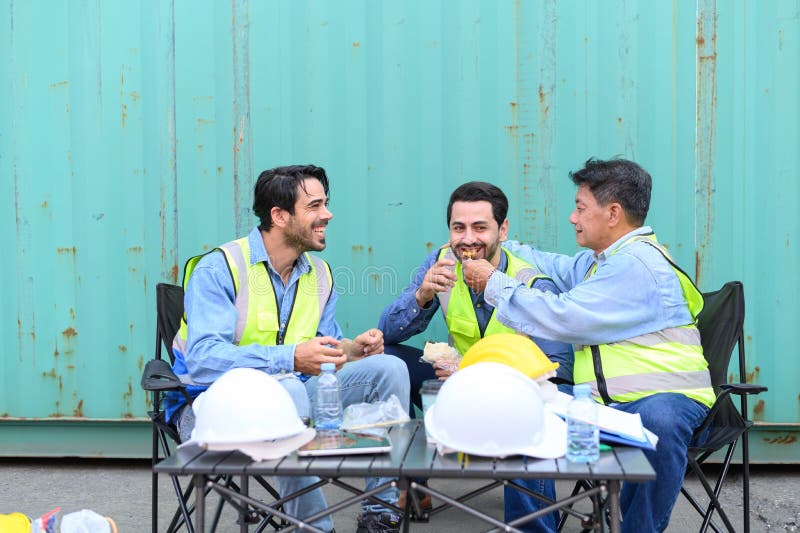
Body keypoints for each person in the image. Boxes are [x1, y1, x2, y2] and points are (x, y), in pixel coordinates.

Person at [463, 158, 715, 533]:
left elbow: (564, 317)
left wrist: (494, 283)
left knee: (658, 420)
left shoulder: (638, 265)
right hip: (604, 404)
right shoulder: (603, 262)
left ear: (613, 213)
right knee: (524, 413)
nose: (572, 217)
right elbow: (554, 265)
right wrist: (497, 245)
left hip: (667, 400)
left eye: (580, 208)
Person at [163, 164, 411, 533]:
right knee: (289, 388)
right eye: (314, 206)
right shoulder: (219, 268)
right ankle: (313, 528)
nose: (327, 214)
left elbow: (320, 351)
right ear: (279, 216)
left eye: (325, 203)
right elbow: (202, 361)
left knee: (390, 369)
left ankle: (380, 513)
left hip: (295, 402)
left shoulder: (320, 274)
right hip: (208, 407)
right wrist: (291, 358)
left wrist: (350, 350)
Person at [378, 181, 573, 532]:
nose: (468, 239)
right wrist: (422, 295)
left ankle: (532, 525)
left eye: (480, 227)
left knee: (538, 411)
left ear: (503, 229)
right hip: (457, 383)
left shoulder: (531, 278)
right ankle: (408, 487)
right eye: (459, 228)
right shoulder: (441, 261)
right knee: (388, 361)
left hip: (518, 393)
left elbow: (557, 372)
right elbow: (387, 332)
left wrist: (479, 377)